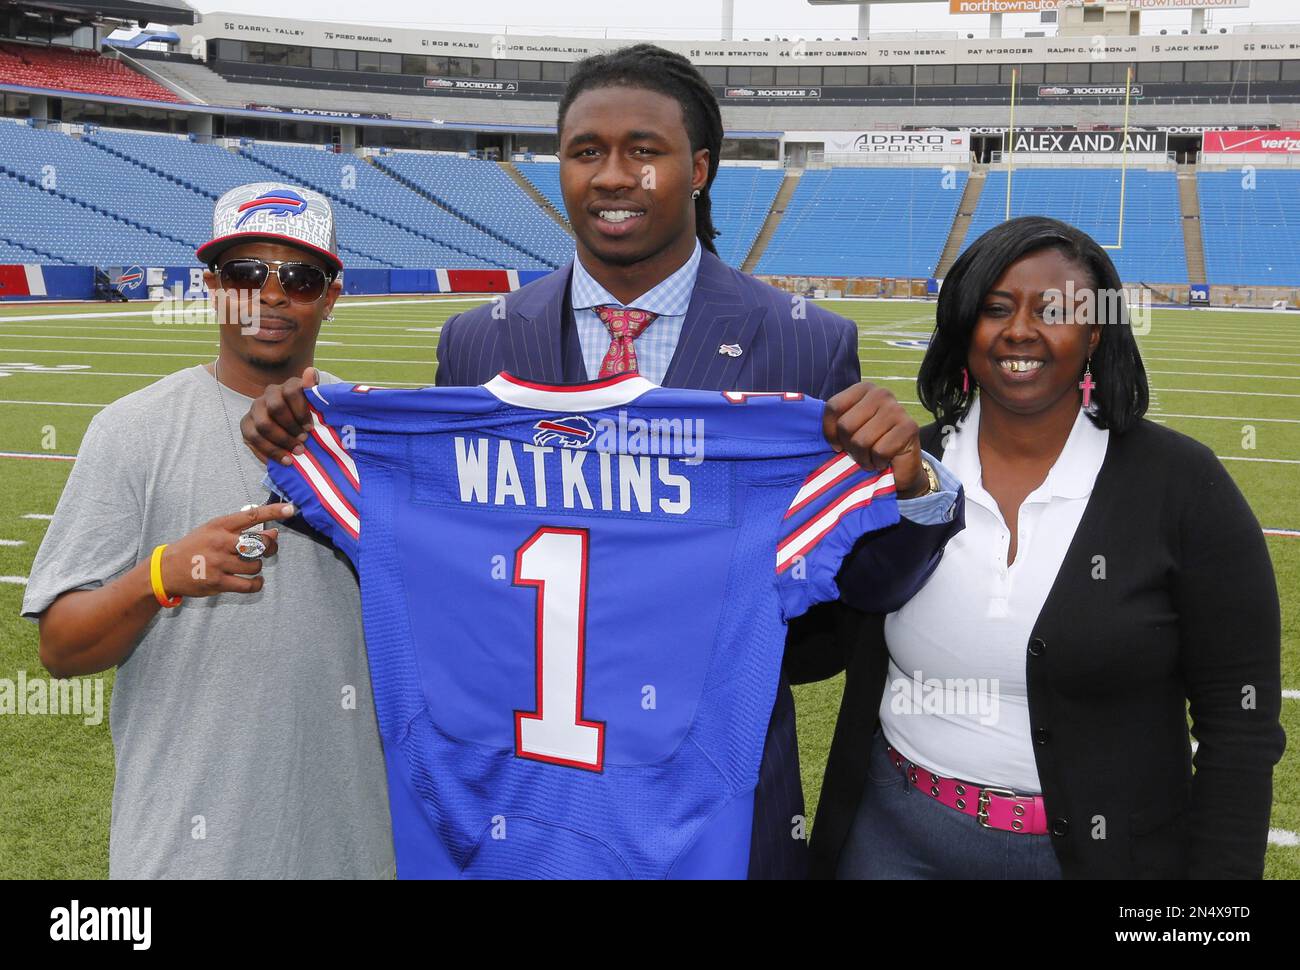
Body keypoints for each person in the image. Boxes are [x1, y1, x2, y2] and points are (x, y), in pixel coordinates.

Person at [239, 45, 965, 879]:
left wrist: (907, 484)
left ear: (698, 168)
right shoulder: (480, 339)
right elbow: (437, 559)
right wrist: (303, 448)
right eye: (587, 151)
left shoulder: (803, 340)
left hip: (703, 802)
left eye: (643, 151)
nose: (613, 176)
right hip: (514, 799)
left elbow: (860, 592)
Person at [809, 216, 1285, 879]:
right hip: (896, 839)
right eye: (994, 308)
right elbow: (814, 639)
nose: (1019, 330)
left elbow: (1240, 724)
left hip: (1098, 855)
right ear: (964, 326)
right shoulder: (898, 466)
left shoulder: (1182, 486)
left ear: (1094, 333)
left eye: (1054, 310)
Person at [23, 182, 395, 879]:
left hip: (349, 849)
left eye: (301, 278)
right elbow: (61, 646)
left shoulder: (373, 441)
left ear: (331, 298)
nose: (272, 295)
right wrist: (161, 574)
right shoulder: (132, 431)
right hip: (184, 856)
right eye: (246, 274)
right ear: (211, 288)